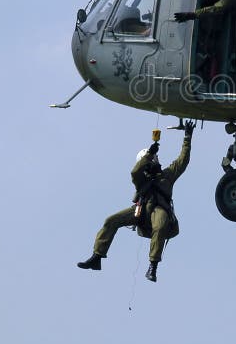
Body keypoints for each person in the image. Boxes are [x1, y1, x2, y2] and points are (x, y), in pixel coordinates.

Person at [77, 121, 195, 282]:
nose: (155, 161)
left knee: (160, 224)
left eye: (155, 159)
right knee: (111, 221)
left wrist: (187, 137)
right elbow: (135, 171)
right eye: (152, 160)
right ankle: (97, 256)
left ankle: (153, 266)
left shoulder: (167, 176)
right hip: (141, 210)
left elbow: (183, 160)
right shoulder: (141, 179)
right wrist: (148, 155)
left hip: (159, 210)